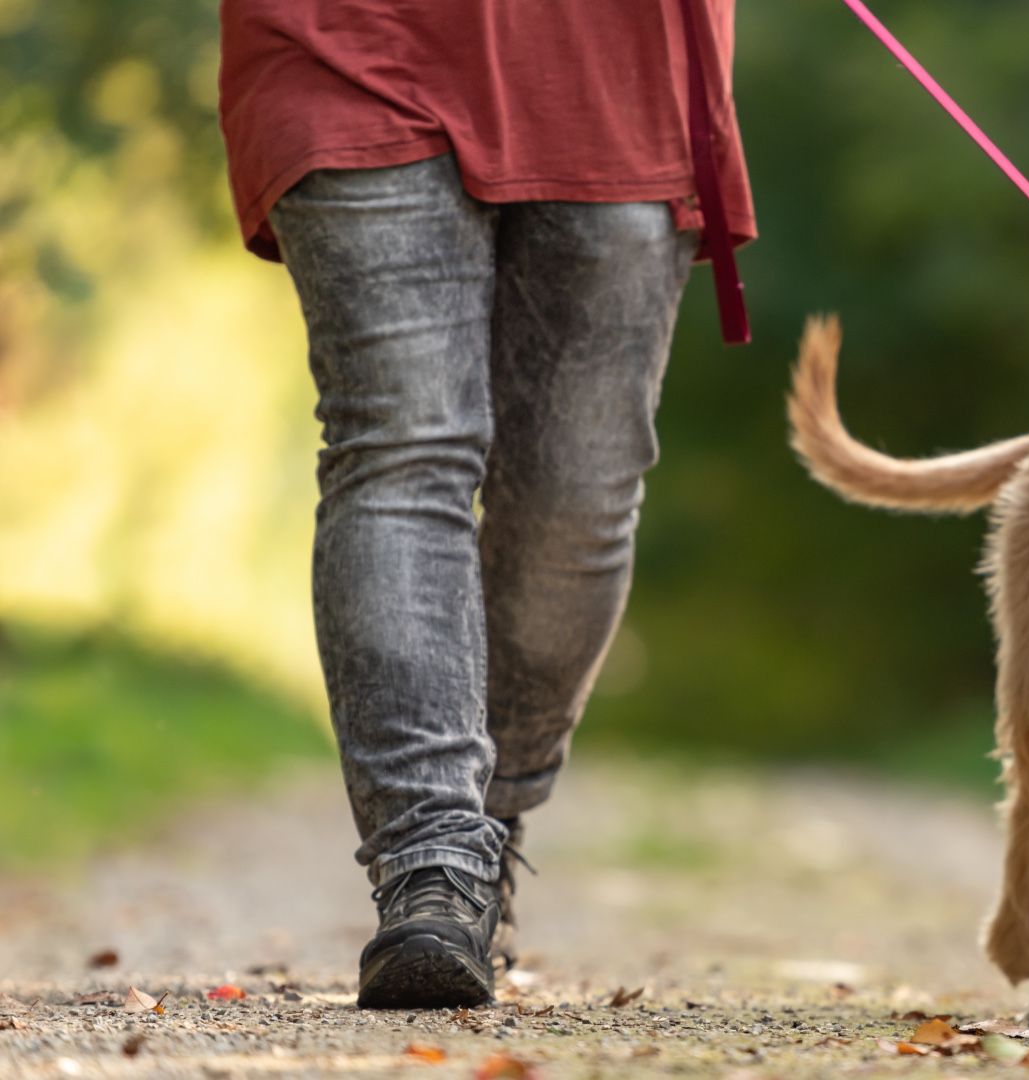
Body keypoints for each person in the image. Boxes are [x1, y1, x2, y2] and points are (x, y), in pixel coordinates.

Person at [217, 0, 753, 1008]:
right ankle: (432, 860)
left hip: (617, 64)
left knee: (581, 489)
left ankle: (489, 819)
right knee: (400, 445)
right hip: (349, 40)